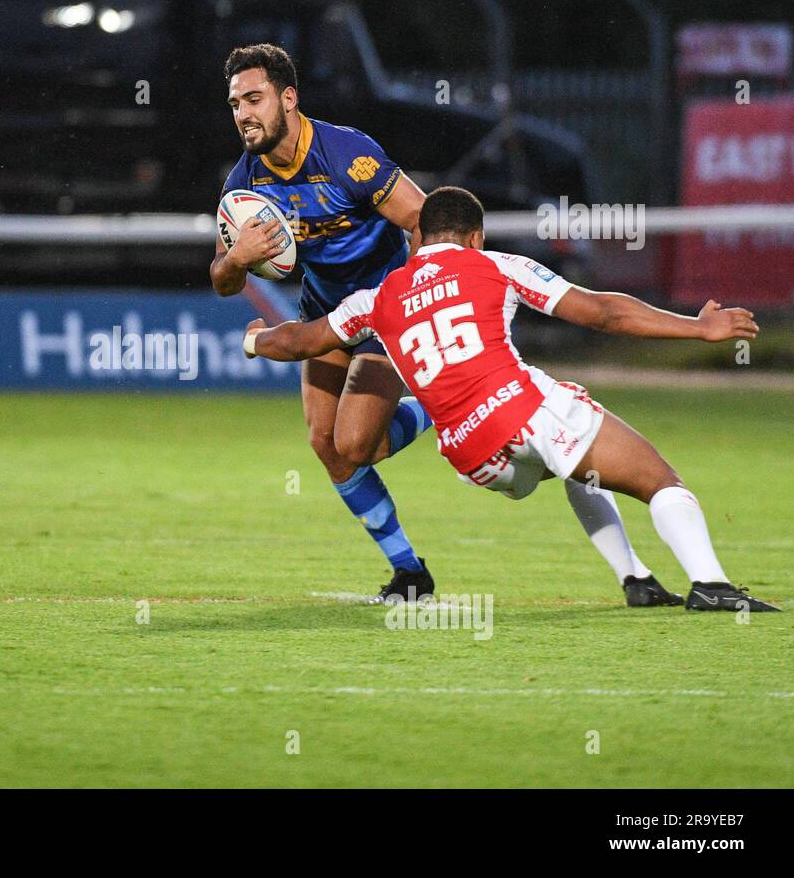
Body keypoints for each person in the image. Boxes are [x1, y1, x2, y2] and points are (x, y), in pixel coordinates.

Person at [243, 186, 779, 611]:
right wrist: (698, 328)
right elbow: (602, 312)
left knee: (578, 468)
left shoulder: (376, 298)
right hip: (523, 412)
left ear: (417, 238)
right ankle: (712, 585)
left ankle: (635, 577)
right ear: (474, 236)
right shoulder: (495, 265)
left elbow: (301, 340)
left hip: (475, 457)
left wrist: (256, 339)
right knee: (659, 479)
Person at [213, 43, 433, 601]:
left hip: (385, 310)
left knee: (359, 444)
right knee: (326, 443)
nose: (243, 113)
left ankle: (439, 407)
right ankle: (409, 570)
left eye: (255, 98)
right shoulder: (245, 181)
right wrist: (236, 258)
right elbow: (223, 280)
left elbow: (423, 219)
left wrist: (417, 297)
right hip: (325, 312)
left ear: (289, 99)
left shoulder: (346, 154)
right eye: (236, 102)